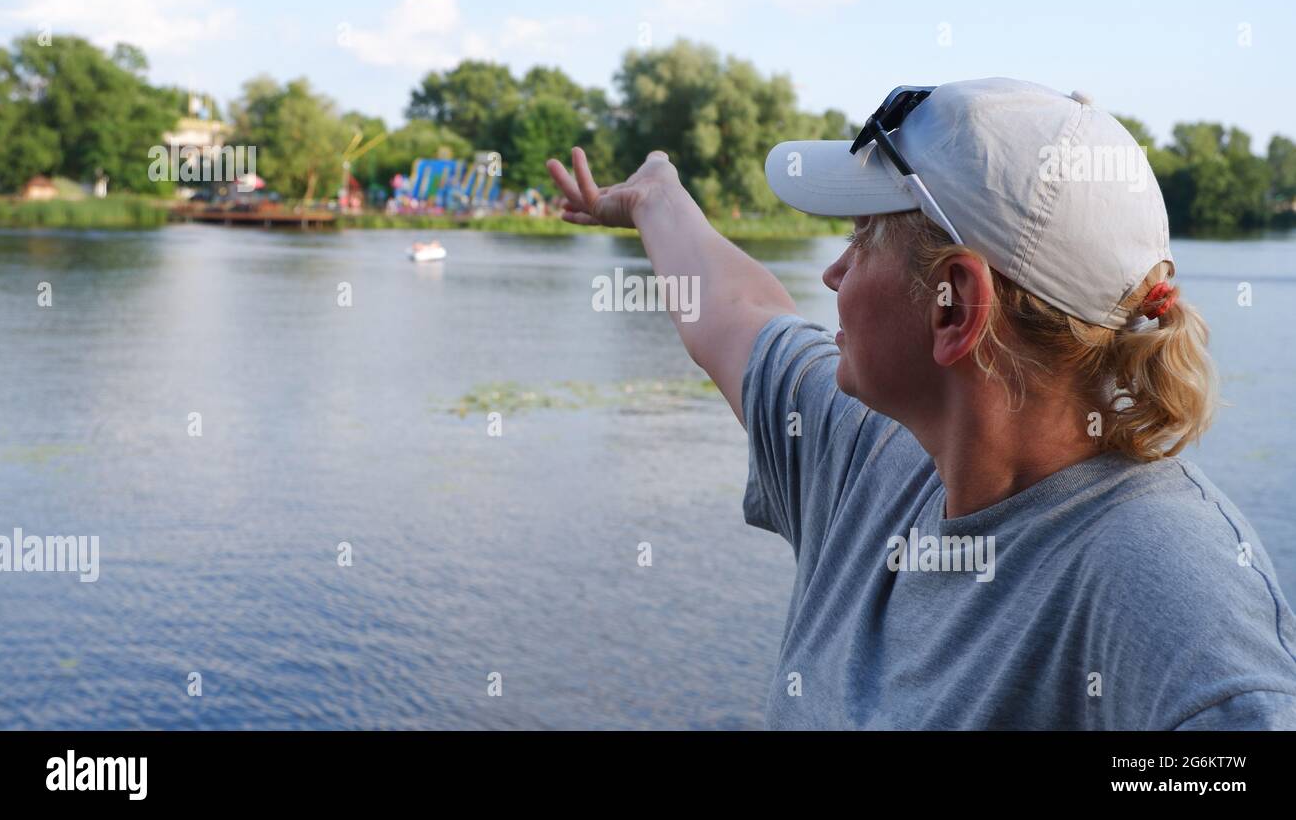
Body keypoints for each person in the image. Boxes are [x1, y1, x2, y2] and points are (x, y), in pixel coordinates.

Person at [546, 78, 1296, 730]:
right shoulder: (871, 455)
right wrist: (656, 197)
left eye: (863, 236)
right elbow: (736, 312)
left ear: (956, 306)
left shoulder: (1172, 587)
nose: (835, 274)